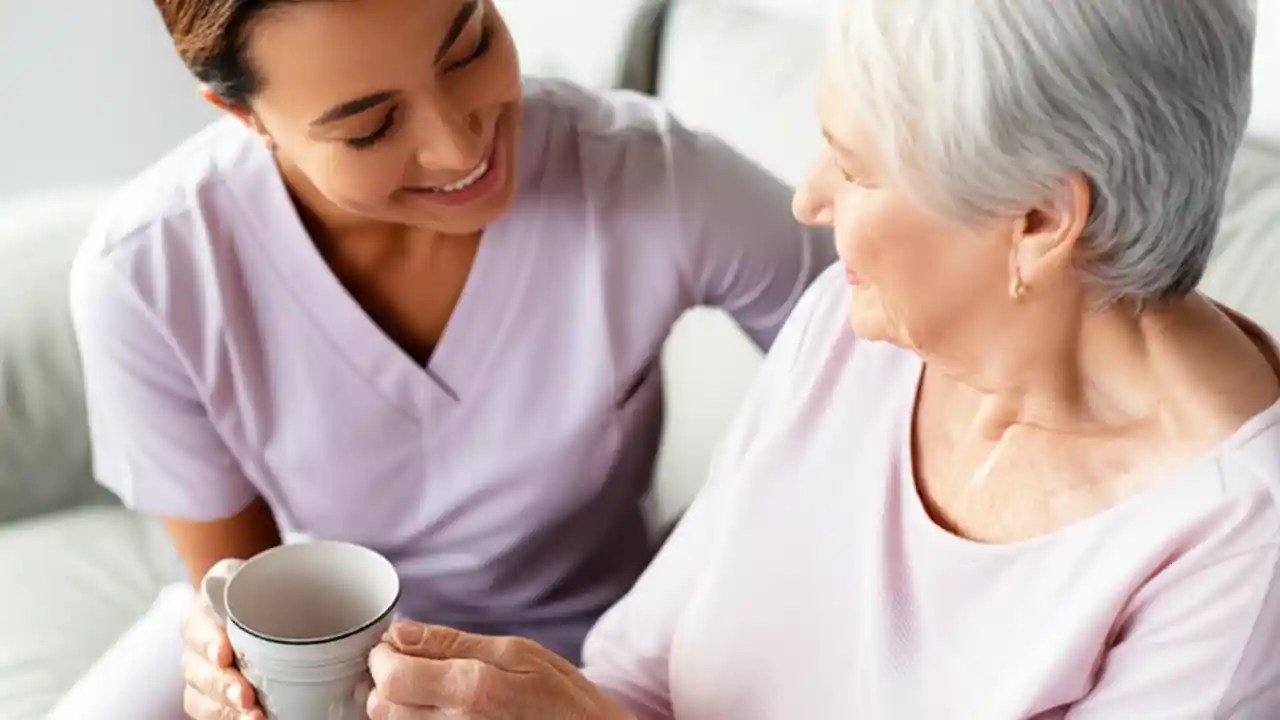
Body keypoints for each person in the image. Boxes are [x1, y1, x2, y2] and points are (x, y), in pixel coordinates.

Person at [358, 1, 1280, 718]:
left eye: (857, 168)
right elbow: (635, 677)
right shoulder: (856, 330)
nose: (808, 199)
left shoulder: (1235, 546)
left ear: (1039, 220)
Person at [57, 0, 832, 717]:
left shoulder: (646, 176)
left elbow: (883, 353)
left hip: (593, 651)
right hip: (325, 647)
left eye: (468, 48)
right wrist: (230, 651)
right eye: (369, 127)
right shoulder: (149, 274)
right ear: (244, 116)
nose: (461, 145)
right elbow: (248, 591)